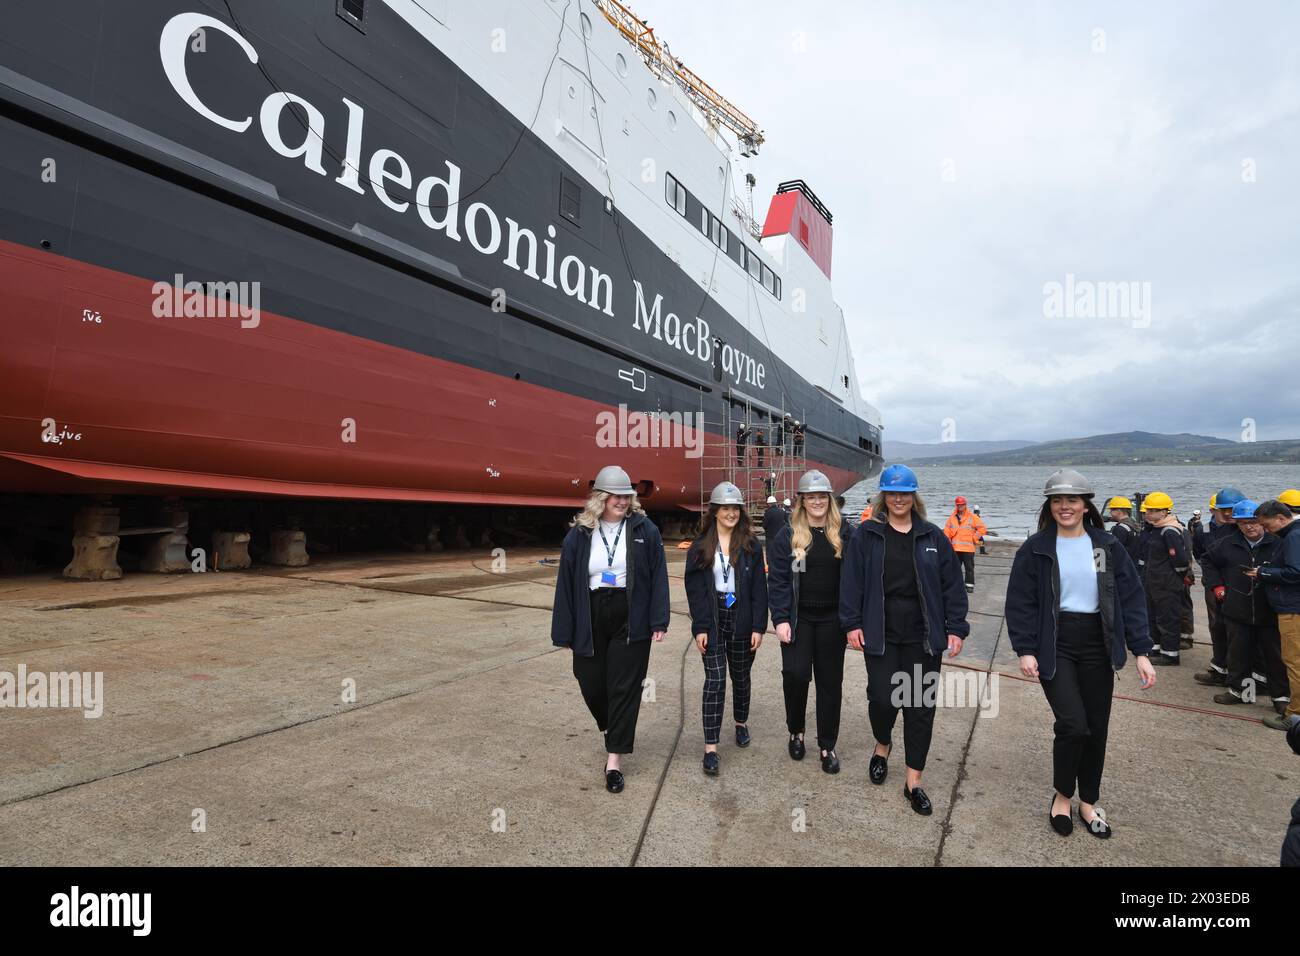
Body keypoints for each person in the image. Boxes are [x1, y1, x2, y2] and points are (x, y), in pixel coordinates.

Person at [1005, 469, 1155, 839]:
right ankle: (1061, 795)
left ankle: (1088, 802)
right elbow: (1020, 603)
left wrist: (1141, 650)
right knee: (1073, 724)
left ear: (1086, 505)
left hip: (1098, 644)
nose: (1064, 506)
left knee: (1096, 728)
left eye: (1072, 500)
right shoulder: (1037, 549)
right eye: (1057, 500)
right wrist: (1025, 649)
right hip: (1055, 645)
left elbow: (1127, 596)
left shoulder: (1103, 547)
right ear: (1049, 505)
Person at [841, 464, 969, 816]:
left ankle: (914, 782)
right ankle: (882, 744)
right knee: (883, 699)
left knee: (919, 708)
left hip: (923, 636)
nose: (899, 499)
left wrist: (956, 627)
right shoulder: (867, 535)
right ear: (884, 496)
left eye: (905, 493)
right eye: (893, 493)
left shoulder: (932, 537)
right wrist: (851, 622)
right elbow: (851, 582)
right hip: (880, 632)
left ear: (914, 496)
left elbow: (952, 587)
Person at [551, 465, 670, 793]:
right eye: (616, 495)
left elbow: (658, 576)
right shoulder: (579, 534)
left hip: (631, 615)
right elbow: (564, 584)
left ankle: (614, 759)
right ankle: (609, 725)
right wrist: (563, 630)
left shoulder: (645, 530)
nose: (622, 501)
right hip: (590, 613)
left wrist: (659, 619)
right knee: (588, 678)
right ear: (600, 498)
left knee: (624, 687)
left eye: (626, 495)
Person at [768, 470, 853, 773]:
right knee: (795, 674)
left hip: (833, 621)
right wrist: (779, 618)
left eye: (822, 496)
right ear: (802, 501)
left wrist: (853, 620)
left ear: (829, 500)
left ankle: (827, 745)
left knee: (830, 684)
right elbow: (778, 580)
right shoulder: (787, 535)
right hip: (798, 619)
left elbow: (856, 578)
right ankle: (796, 730)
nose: (817, 501)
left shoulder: (845, 533)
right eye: (811, 496)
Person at [685, 481, 768, 776]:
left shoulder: (751, 545)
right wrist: (701, 627)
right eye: (725, 508)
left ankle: (741, 723)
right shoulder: (699, 547)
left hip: (743, 615)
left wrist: (759, 625)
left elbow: (760, 588)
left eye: (735, 508)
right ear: (715, 511)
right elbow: (695, 590)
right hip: (713, 616)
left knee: (741, 676)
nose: (731, 513)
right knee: (716, 680)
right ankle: (711, 748)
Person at [1202, 499, 1289, 713]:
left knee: (1274, 657)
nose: (1249, 527)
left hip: (1268, 611)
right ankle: (1241, 692)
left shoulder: (1278, 543)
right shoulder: (1227, 543)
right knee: (1238, 654)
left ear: (1262, 521)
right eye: (1242, 523)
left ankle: (1281, 697)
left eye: (1253, 522)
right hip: (1237, 610)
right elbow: (1208, 561)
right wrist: (1217, 586)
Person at [1255, 499, 1299, 730]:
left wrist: (1264, 572)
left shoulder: (1293, 536)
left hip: (1293, 609)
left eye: (1268, 525)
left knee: (1294, 662)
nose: (1267, 531)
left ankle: (1294, 716)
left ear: (1282, 518)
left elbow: (1295, 572)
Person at [1193, 489, 1243, 687]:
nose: (1228, 514)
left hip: (1238, 585)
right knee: (1216, 625)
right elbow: (1200, 555)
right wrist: (1213, 580)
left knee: (1239, 630)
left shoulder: (1242, 527)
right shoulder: (1203, 530)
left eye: (1232, 509)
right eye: (1224, 510)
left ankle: (1240, 672)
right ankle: (1220, 667)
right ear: (1213, 510)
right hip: (1213, 586)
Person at [1136, 491, 1191, 666]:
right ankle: (1156, 648)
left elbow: (1180, 561)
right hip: (1153, 582)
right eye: (1146, 511)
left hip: (1166, 583)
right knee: (1153, 616)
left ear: (1164, 512)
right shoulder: (1155, 529)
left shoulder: (1169, 531)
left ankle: (1170, 655)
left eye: (1152, 511)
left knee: (1168, 618)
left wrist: (1175, 579)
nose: (1147, 514)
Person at [943, 495, 987, 593]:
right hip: (955, 548)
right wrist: (947, 543)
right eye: (958, 505)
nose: (960, 507)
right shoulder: (951, 518)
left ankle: (969, 586)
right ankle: (956, 585)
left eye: (962, 505)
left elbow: (982, 528)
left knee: (969, 568)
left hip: (968, 548)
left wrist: (974, 538)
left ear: (965, 505)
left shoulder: (973, 517)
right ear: (956, 506)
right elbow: (947, 532)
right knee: (955, 569)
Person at [1104, 496, 1142, 565]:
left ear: (1119, 511)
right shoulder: (1134, 525)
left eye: (1112, 510)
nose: (1110, 512)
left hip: (1124, 565)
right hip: (1134, 564)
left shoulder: (1120, 528)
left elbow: (1115, 551)